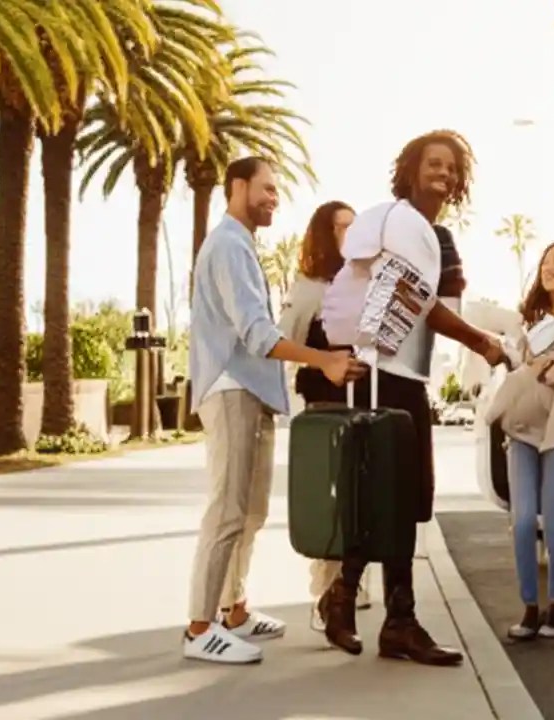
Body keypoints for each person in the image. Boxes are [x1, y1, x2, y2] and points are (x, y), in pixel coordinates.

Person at [317, 129, 506, 667]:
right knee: (387, 495)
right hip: (378, 376)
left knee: (407, 495)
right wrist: (481, 342)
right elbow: (420, 304)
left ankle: (351, 602)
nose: (443, 173)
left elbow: (433, 302)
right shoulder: (396, 224)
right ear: (410, 169)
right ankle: (389, 615)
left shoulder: (432, 236)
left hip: (404, 377)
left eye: (451, 167)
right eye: (433, 164)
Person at [183, 156, 366, 665]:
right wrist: (325, 359)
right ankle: (200, 628)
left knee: (251, 511)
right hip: (231, 387)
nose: (273, 199)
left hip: (252, 391)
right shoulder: (226, 246)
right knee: (226, 511)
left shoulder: (241, 245)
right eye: (265, 188)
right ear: (236, 186)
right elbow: (259, 334)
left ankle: (234, 610)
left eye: (276, 192)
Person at [485, 240, 554, 640]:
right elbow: (523, 360)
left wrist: (534, 350)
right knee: (520, 522)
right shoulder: (528, 316)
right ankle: (530, 608)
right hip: (522, 424)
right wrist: (527, 350)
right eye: (545, 261)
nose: (548, 267)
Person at [275, 200, 374, 627]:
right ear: (324, 232)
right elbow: (285, 342)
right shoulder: (310, 286)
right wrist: (325, 360)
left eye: (355, 226)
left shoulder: (365, 281)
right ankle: (326, 593)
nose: (350, 235)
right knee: (332, 498)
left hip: (365, 402)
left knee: (360, 496)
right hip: (325, 404)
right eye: (341, 228)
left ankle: (346, 584)